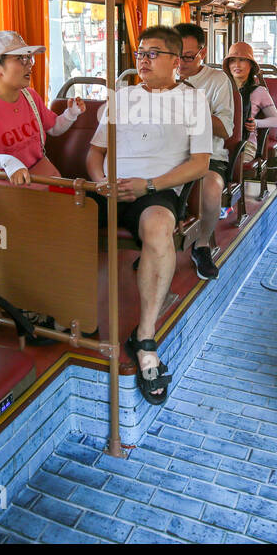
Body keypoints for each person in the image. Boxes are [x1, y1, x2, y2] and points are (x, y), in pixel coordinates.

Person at [87, 26, 211, 404]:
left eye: (153, 53)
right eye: (140, 52)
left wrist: (150, 185)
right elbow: (94, 155)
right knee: (55, 216)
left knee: (158, 226)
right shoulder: (120, 97)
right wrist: (100, 182)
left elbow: (200, 164)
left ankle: (144, 338)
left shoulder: (194, 102)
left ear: (177, 62)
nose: (143, 59)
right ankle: (60, 314)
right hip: (109, 187)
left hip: (155, 190)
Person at [0, 31, 85, 185]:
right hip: (2, 188)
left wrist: (71, 114)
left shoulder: (29, 96)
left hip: (38, 177)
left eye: (29, 58)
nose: (30, 64)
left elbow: (54, 128)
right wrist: (7, 162)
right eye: (21, 59)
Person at [173, 22, 236, 280]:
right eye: (177, 56)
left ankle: (201, 245)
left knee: (210, 190)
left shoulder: (217, 81)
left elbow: (226, 130)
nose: (182, 63)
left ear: (203, 52)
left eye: (189, 56)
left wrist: (196, 111)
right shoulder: (160, 79)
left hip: (210, 155)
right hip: (170, 154)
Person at [223, 42, 277, 165]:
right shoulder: (222, 89)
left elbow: (276, 120)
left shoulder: (259, 91)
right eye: (232, 60)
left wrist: (256, 123)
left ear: (251, 65)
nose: (237, 65)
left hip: (245, 144)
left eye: (242, 60)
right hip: (221, 142)